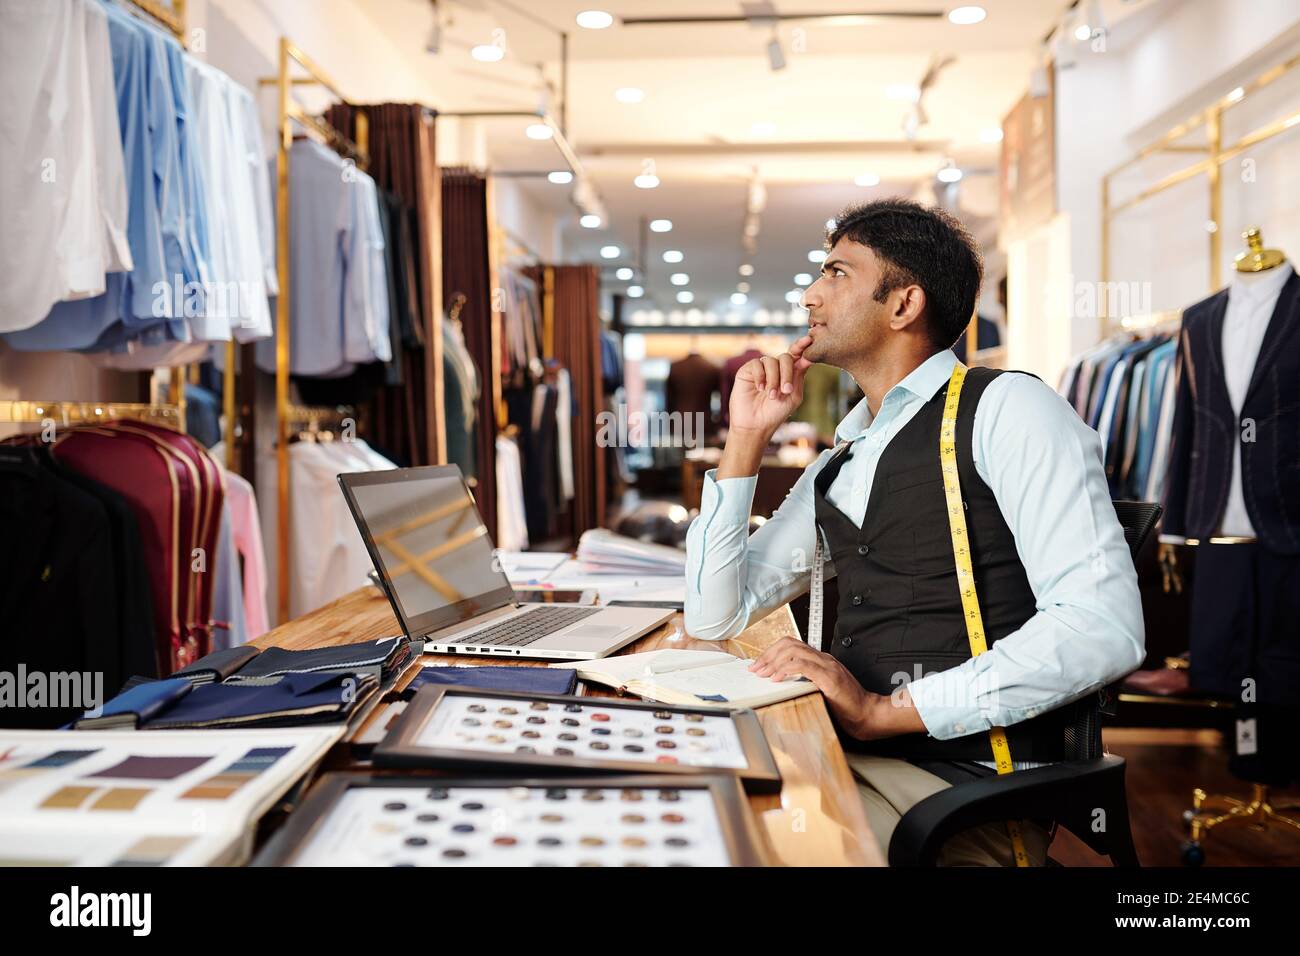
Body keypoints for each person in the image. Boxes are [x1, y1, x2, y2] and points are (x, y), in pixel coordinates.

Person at [684, 198, 1144, 865]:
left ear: (904, 305)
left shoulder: (1007, 409)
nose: (810, 295)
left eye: (837, 273)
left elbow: (1102, 626)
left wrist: (882, 710)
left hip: (961, 790)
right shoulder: (841, 459)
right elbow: (713, 610)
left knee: (740, 845)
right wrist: (747, 437)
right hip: (851, 757)